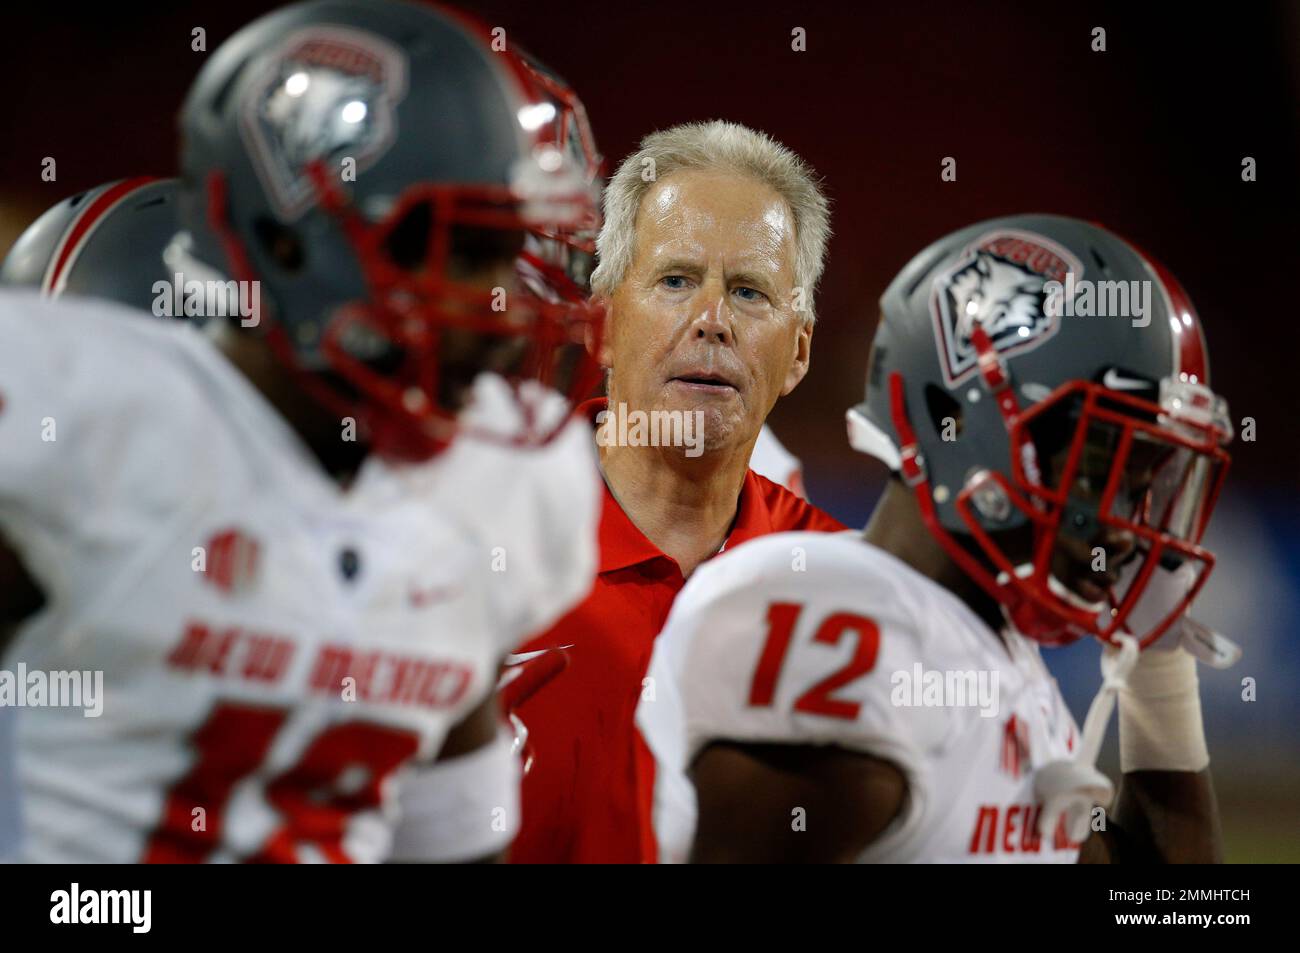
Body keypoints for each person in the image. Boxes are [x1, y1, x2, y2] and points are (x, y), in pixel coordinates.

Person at [0, 0, 605, 863]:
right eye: (459, 253)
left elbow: (451, 842)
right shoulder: (94, 421)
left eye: (509, 259)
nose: (505, 316)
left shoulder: (500, 489)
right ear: (289, 243)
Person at [640, 214, 1237, 862]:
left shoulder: (987, 647)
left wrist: (1159, 665)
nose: (1131, 525)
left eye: (1146, 480)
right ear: (956, 416)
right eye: (1105, 464)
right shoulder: (848, 632)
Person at [509, 120, 845, 863]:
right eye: (676, 279)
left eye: (750, 291)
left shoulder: (849, 590)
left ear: (798, 352)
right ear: (601, 322)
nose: (712, 321)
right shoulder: (472, 539)